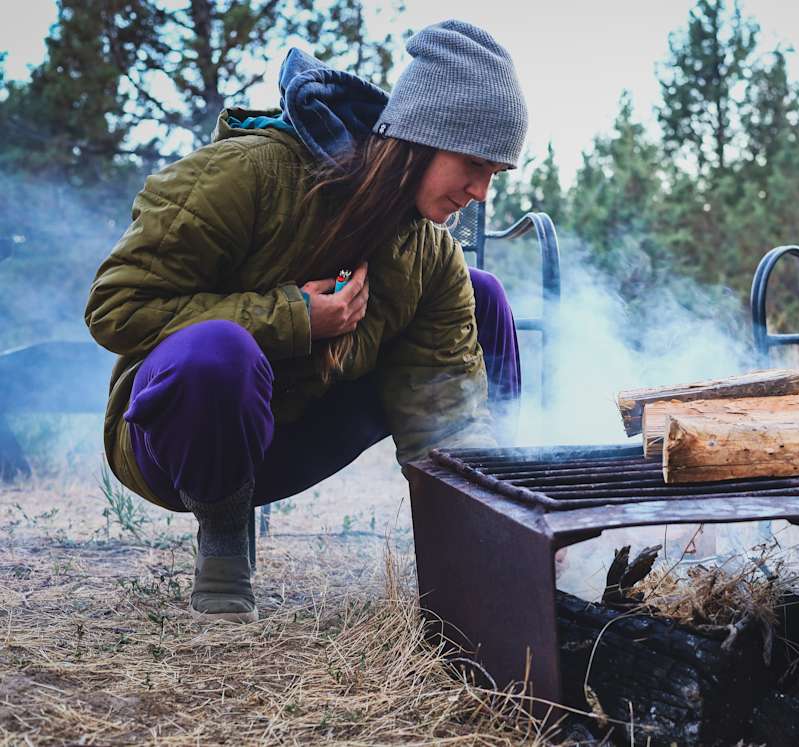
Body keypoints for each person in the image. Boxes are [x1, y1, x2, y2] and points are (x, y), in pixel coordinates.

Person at [84, 20, 527, 623]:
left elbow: (446, 413)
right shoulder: (250, 174)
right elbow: (118, 307)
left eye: (495, 175)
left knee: (481, 295)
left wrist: (494, 544)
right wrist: (295, 316)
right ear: (422, 136)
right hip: (178, 443)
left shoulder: (429, 252)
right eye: (473, 164)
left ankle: (502, 533)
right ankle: (222, 535)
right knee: (219, 350)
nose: (480, 193)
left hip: (290, 438)